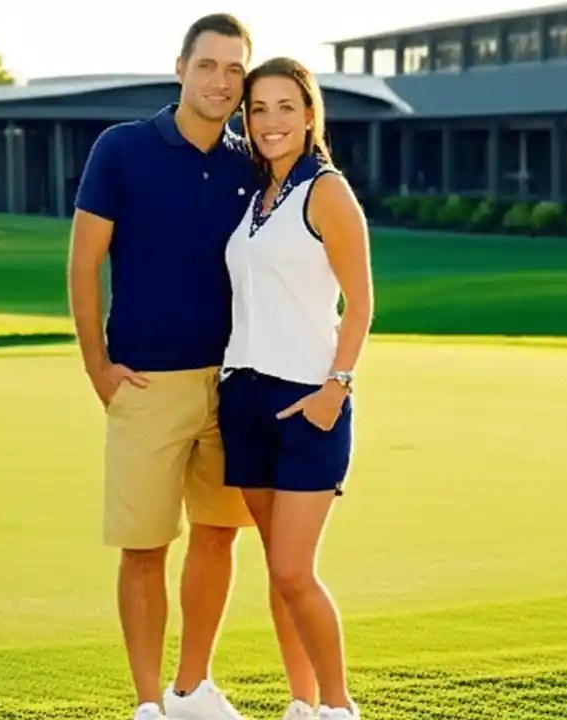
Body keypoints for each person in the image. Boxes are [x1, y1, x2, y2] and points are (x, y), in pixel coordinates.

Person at [67, 13, 261, 720]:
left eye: (235, 69)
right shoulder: (122, 149)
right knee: (144, 547)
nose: (221, 81)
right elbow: (83, 263)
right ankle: (148, 704)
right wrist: (97, 366)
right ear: (180, 68)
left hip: (235, 382)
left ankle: (191, 689)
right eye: (208, 65)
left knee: (218, 533)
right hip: (148, 381)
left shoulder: (252, 162)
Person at [217, 57, 373, 720]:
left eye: (286, 107)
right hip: (245, 399)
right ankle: (302, 705)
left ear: (310, 115)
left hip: (308, 401)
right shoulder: (257, 197)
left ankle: (337, 707)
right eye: (258, 109)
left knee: (292, 570)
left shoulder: (326, 191)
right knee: (278, 573)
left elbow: (360, 303)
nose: (271, 121)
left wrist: (337, 387)